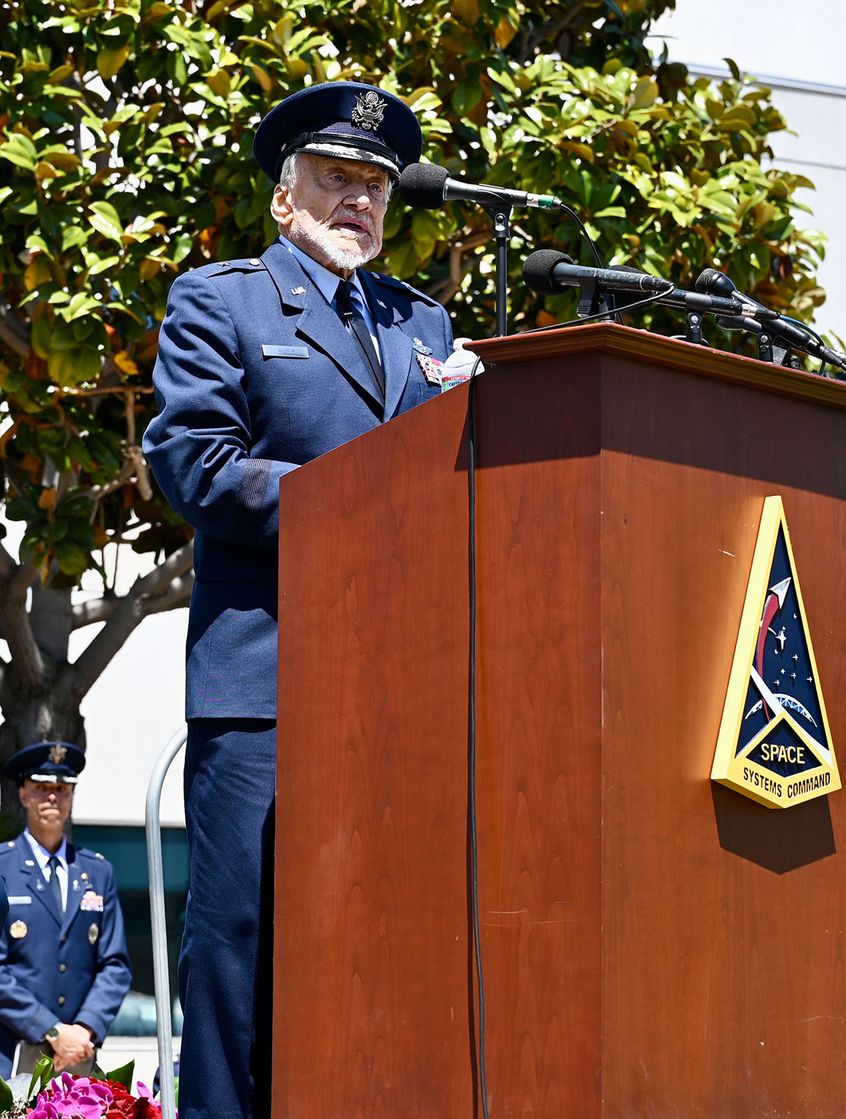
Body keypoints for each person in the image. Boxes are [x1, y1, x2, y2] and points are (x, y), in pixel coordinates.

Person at [142, 81, 454, 1119]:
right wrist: (352, 496)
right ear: (285, 200)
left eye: (374, 187)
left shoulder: (424, 323)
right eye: (334, 180)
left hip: (402, 689)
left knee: (381, 935)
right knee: (238, 944)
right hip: (265, 687)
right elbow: (192, 462)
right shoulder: (219, 300)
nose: (358, 201)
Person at [0, 741, 132, 1079]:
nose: (52, 797)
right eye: (42, 787)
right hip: (11, 1056)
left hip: (76, 1061)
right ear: (23, 795)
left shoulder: (97, 872)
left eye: (62, 789)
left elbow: (114, 965)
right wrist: (52, 1030)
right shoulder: (3, 868)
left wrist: (84, 1030)